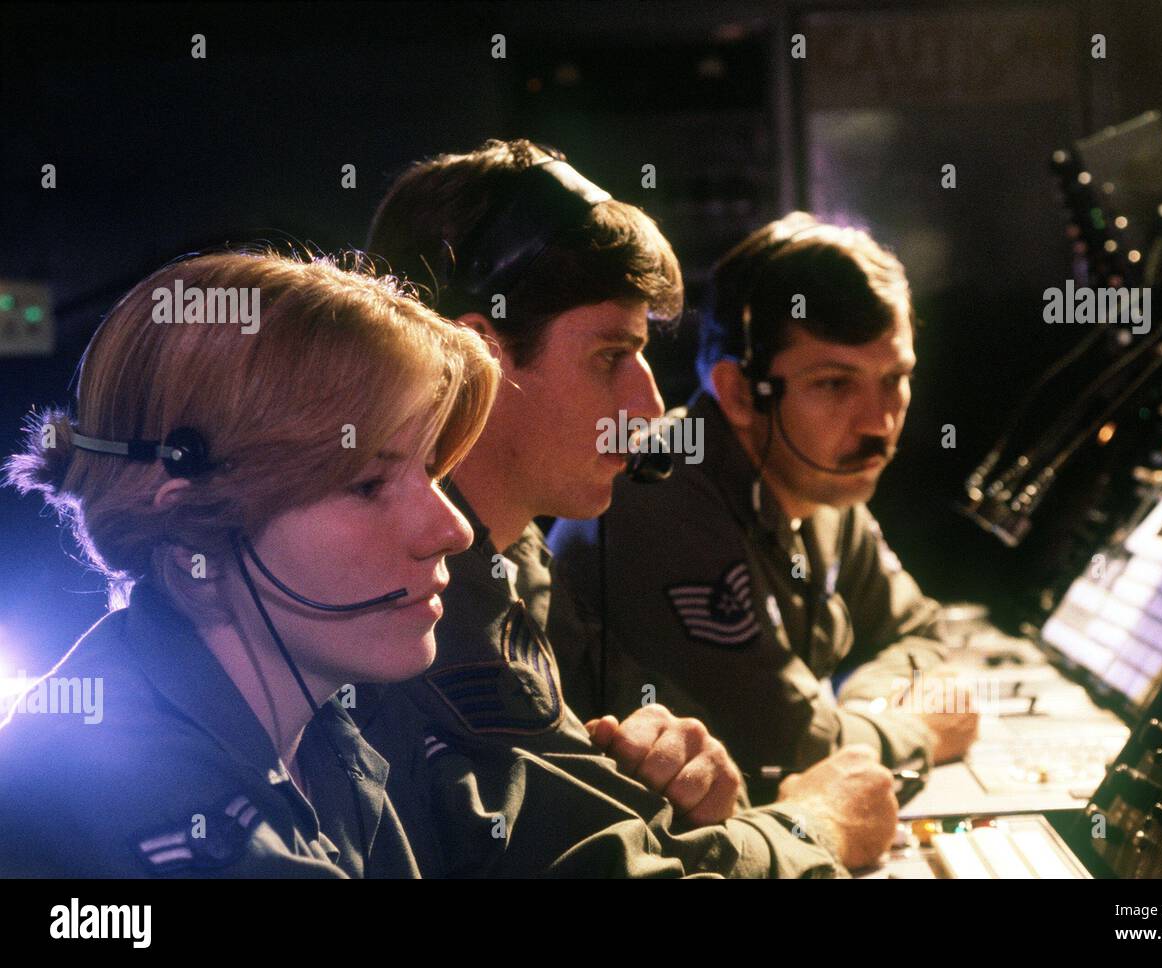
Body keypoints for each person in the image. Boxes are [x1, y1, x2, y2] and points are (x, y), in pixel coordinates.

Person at [358, 139, 899, 876]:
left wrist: (675, 766)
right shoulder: (414, 595)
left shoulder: (511, 559)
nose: (649, 406)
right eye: (610, 357)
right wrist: (817, 827)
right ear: (470, 361)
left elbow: (634, 797)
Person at [0, 251, 499, 877]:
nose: (452, 529)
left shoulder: (320, 736)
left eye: (429, 470)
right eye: (368, 484)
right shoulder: (134, 794)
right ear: (195, 540)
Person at [550, 212, 979, 790]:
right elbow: (786, 750)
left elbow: (919, 635)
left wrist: (870, 714)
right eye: (835, 383)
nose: (879, 422)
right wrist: (918, 731)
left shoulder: (820, 481)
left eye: (894, 378)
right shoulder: (656, 496)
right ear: (737, 393)